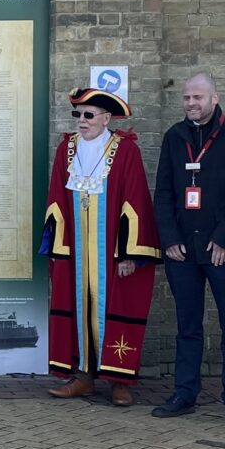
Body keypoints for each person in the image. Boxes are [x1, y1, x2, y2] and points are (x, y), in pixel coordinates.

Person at [149, 72, 225, 425]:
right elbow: (164, 192)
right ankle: (185, 393)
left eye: (198, 98)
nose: (191, 104)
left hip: (223, 250)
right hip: (182, 250)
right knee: (188, 326)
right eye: (186, 98)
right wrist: (168, 239)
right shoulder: (174, 137)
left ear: (214, 98)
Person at [41, 87, 159, 407]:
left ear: (106, 118)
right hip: (76, 252)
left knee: (115, 308)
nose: (81, 120)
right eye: (77, 114)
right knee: (79, 310)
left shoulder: (124, 151)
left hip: (111, 254)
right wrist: (57, 246)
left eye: (88, 115)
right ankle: (83, 377)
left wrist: (129, 253)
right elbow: (55, 199)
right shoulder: (66, 148)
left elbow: (135, 203)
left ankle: (119, 381)